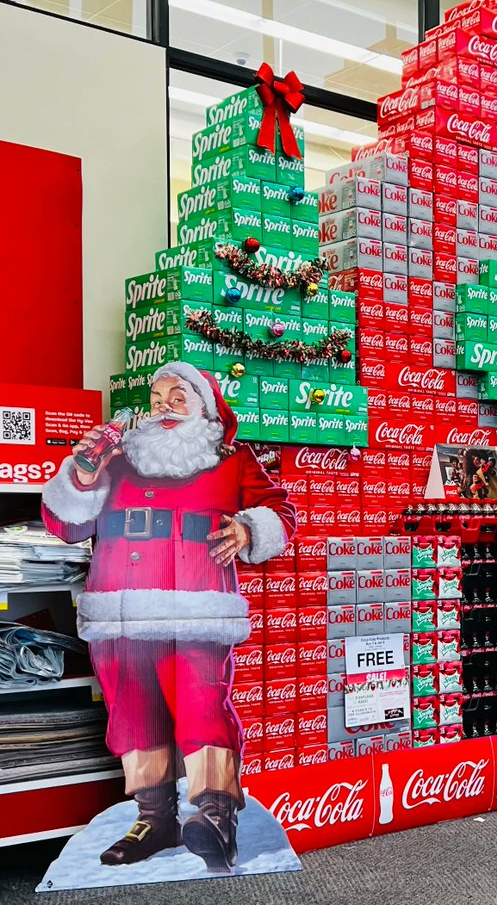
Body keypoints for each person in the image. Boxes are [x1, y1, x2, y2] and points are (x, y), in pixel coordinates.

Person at [41, 362, 295, 872]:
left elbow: (280, 513)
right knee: (133, 717)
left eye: (178, 396)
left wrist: (249, 530)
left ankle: (215, 813)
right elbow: (67, 526)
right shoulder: (118, 457)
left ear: (204, 405)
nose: (164, 406)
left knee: (202, 706)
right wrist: (83, 474)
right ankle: (155, 819)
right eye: (157, 397)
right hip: (120, 607)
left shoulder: (234, 459)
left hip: (198, 606)